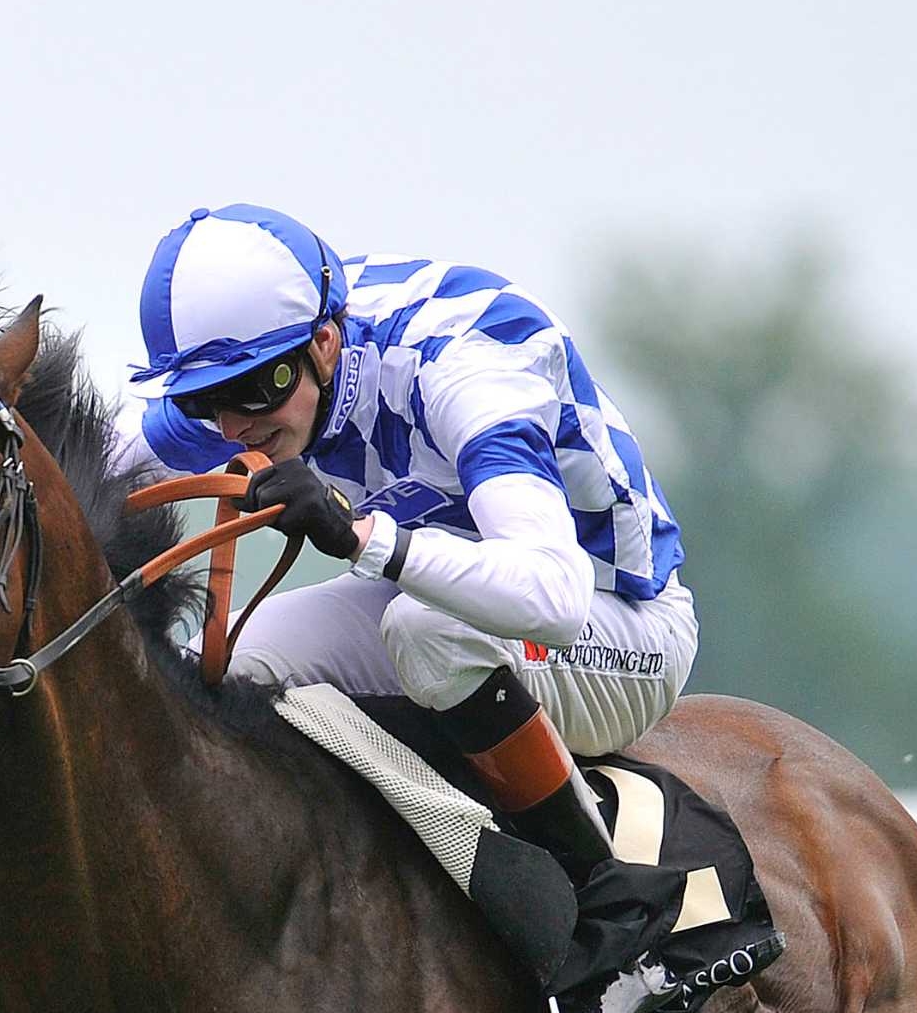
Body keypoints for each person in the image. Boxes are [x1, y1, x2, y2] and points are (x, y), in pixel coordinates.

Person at [111, 203, 697, 884]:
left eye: (254, 389)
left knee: (428, 629)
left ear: (325, 342)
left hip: (618, 627)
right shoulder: (264, 365)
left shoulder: (464, 367)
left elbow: (554, 598)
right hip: (435, 604)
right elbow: (60, 476)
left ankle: (610, 900)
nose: (236, 424)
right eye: (203, 401)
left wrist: (360, 536)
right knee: (224, 665)